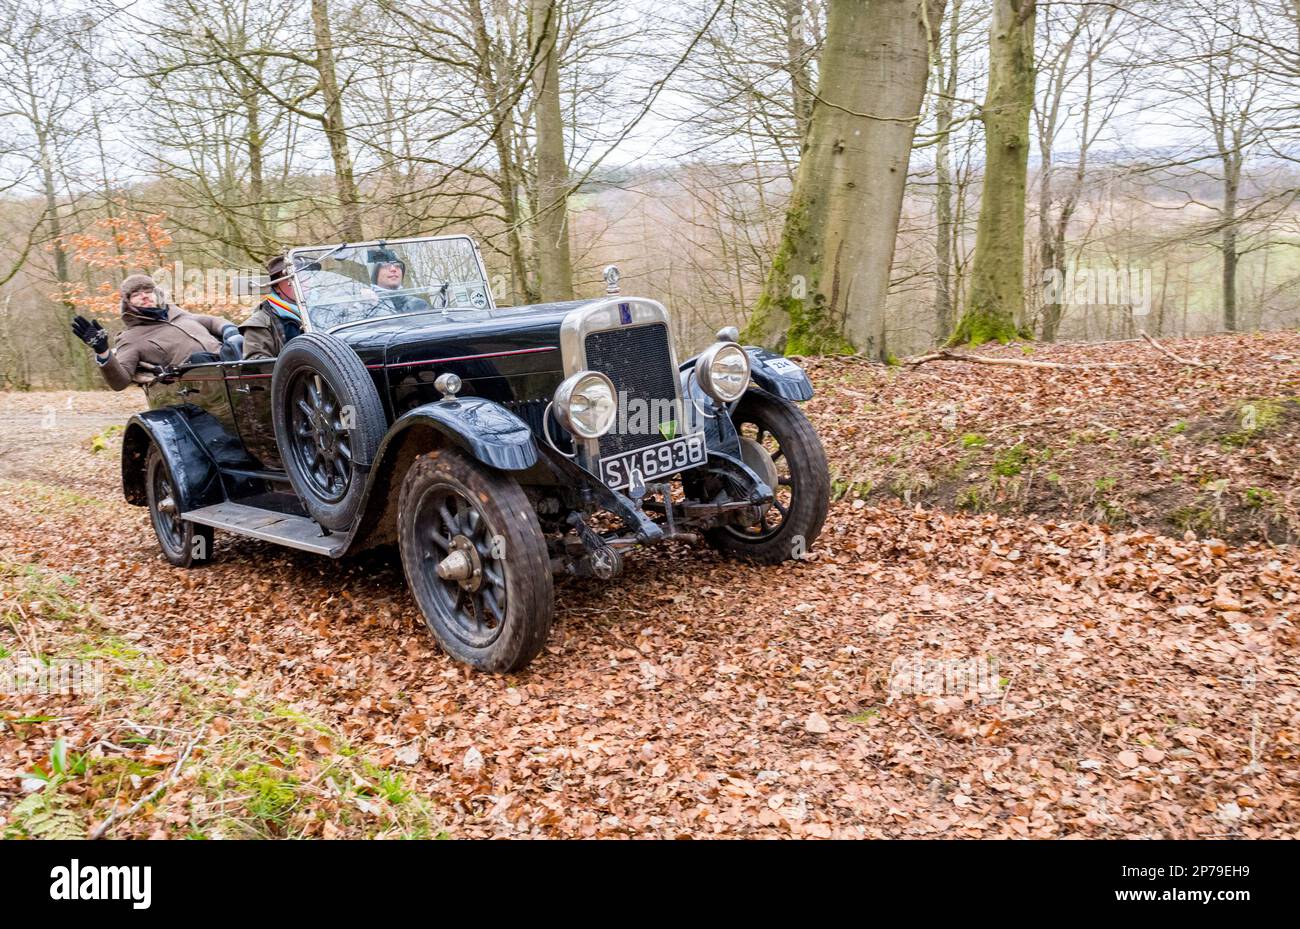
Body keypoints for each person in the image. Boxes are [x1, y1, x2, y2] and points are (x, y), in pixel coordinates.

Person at [70, 275, 242, 391]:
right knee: (200, 359)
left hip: (234, 364)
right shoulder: (132, 338)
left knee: (247, 341)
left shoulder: (178, 314)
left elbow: (213, 321)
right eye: (136, 294)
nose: (145, 296)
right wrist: (103, 352)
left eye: (148, 291)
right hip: (199, 385)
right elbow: (120, 382)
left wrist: (230, 331)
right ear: (127, 303)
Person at [240, 255, 305, 360]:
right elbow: (257, 364)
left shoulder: (325, 312)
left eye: (304, 277)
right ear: (276, 286)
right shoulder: (260, 322)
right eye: (292, 278)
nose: (301, 283)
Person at [368, 248, 431, 314]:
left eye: (397, 266)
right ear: (375, 273)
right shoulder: (366, 306)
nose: (393, 269)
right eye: (386, 265)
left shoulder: (418, 304)